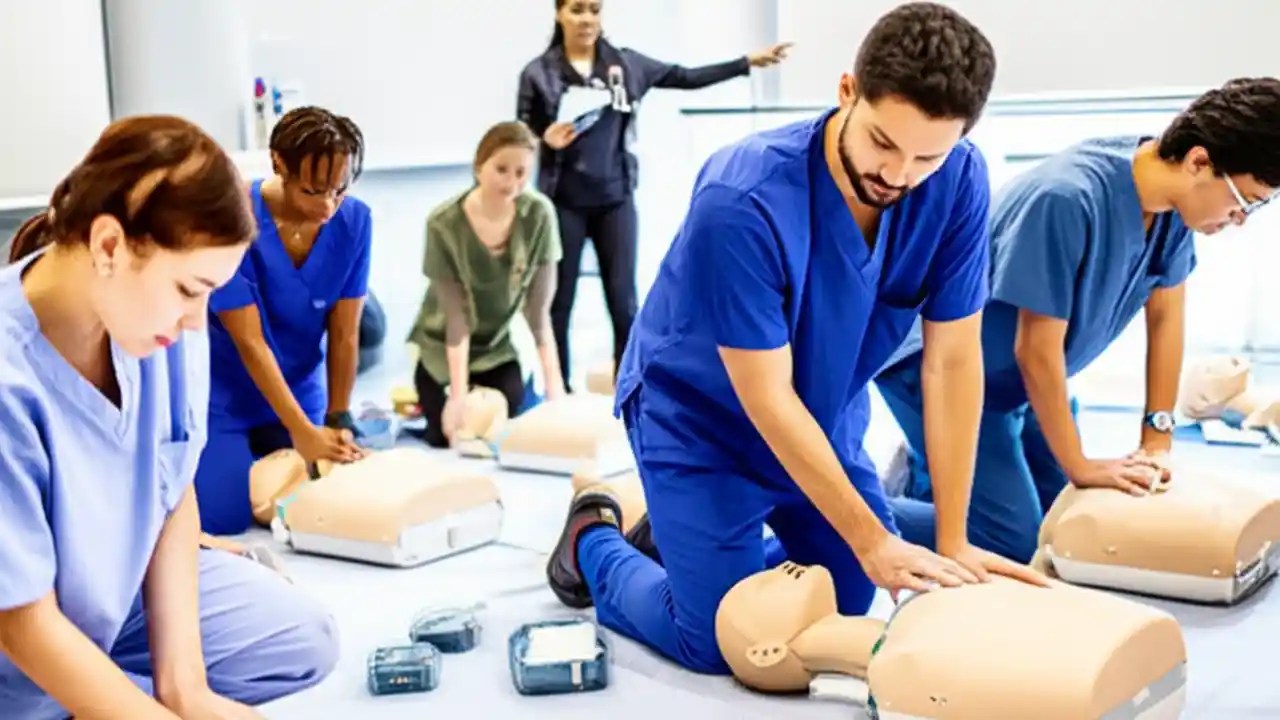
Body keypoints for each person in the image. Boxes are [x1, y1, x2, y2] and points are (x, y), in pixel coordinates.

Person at [544, 2, 1045, 676]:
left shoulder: (957, 181)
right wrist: (872, 539)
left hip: (822, 414)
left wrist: (952, 538)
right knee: (722, 641)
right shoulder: (743, 195)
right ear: (846, 92)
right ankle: (596, 540)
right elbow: (766, 397)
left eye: (927, 154)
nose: (898, 175)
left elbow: (953, 363)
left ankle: (690, 539)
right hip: (700, 421)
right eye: (883, 143)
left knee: (846, 593)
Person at [0, 116, 337, 719]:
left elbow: (171, 483)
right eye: (190, 289)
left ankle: (103, 691)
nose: (195, 320)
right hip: (17, 639)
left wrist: (187, 692)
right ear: (109, 247)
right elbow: (20, 622)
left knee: (301, 640)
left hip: (109, 595)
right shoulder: (10, 378)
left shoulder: (163, 323)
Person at [879, 77, 1280, 564]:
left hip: (1016, 387)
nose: (1240, 220)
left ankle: (931, 479)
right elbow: (1035, 350)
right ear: (1199, 161)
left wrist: (1156, 439)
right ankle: (836, 504)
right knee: (1009, 542)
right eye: (1246, 203)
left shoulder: (1173, 209)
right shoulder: (1067, 198)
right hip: (943, 379)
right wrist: (1081, 465)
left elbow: (1166, 318)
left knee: (1063, 523)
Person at [517, 0, 792, 391]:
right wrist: (543, 136)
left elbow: (684, 76)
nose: (587, 19)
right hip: (563, 201)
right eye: (577, 10)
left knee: (623, 299)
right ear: (559, 13)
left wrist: (744, 63)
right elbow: (521, 134)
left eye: (594, 10)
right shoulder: (538, 74)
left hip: (615, 198)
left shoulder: (625, 66)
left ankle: (627, 387)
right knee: (560, 302)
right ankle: (559, 389)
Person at [193, 106, 371, 536]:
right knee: (225, 516)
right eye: (314, 191)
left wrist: (337, 418)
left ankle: (273, 450)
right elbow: (250, 342)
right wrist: (300, 430)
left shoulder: (355, 220)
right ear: (278, 163)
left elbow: (345, 333)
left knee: (322, 496)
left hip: (300, 384)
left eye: (339, 191)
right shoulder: (231, 217)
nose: (328, 207)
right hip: (228, 389)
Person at [409, 120, 565, 447]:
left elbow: (539, 317)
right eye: (502, 169)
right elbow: (456, 321)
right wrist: (457, 397)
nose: (511, 182)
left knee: (499, 427)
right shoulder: (443, 224)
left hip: (495, 349)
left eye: (521, 172)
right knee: (446, 434)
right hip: (443, 347)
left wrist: (556, 392)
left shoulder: (540, 216)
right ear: (479, 166)